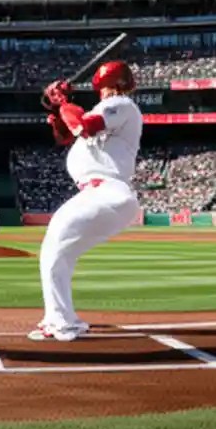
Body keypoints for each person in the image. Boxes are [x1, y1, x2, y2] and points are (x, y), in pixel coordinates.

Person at [31, 61, 143, 342]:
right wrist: (59, 111)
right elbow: (66, 135)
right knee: (58, 252)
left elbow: (82, 126)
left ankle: (62, 322)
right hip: (97, 194)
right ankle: (60, 317)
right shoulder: (104, 110)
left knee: (56, 244)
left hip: (108, 191)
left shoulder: (122, 104)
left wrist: (63, 101)